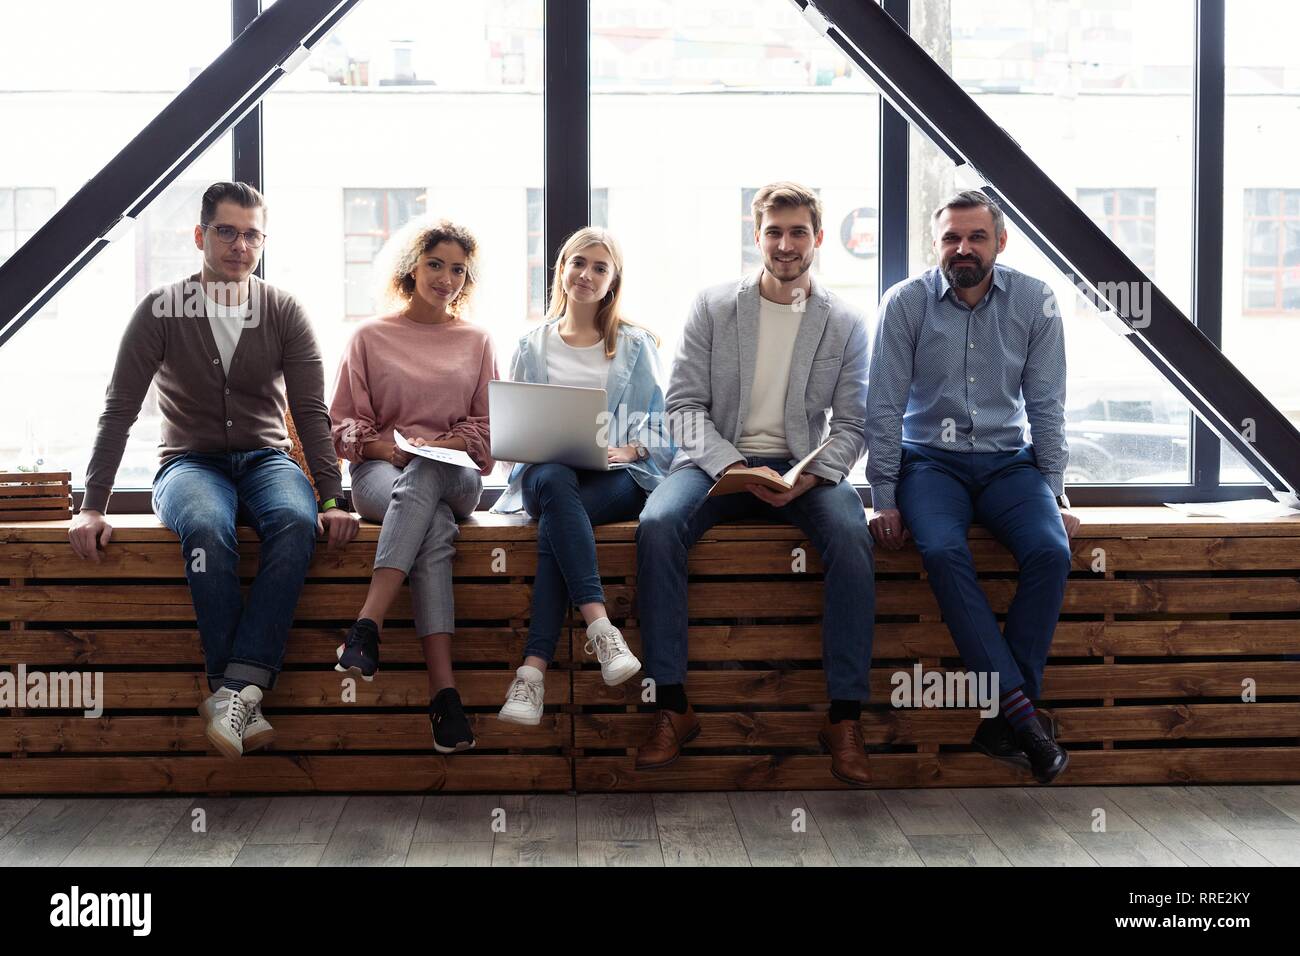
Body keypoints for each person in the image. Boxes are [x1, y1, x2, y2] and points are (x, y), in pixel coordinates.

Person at [68, 181, 359, 759]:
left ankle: (232, 691)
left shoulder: (283, 310)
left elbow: (309, 412)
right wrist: (93, 504)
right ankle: (242, 689)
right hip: (188, 462)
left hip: (267, 458)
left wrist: (332, 498)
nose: (240, 244)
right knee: (205, 528)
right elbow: (119, 409)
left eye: (252, 234)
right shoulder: (160, 310)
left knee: (293, 522)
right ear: (201, 235)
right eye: (226, 231)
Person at [635, 181, 875, 786]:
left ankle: (844, 717)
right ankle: (672, 705)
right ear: (756, 234)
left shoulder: (844, 322)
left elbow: (852, 425)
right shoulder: (714, 306)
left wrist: (810, 475)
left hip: (804, 468)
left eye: (798, 232)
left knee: (852, 535)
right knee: (658, 526)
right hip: (715, 463)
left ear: (818, 238)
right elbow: (684, 406)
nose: (786, 244)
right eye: (774, 231)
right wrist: (730, 468)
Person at [865, 189, 1078, 784]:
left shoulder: (1035, 300)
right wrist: (884, 494)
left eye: (976, 237)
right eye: (951, 238)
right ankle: (1025, 719)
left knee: (1050, 552)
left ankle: (1011, 717)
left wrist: (1056, 486)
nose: (962, 248)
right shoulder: (904, 303)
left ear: (1000, 242)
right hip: (931, 463)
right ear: (937, 245)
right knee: (940, 549)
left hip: (1011, 464)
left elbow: (1047, 403)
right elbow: (882, 406)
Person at [490, 227, 673, 725]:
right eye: (578, 263)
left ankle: (531, 672)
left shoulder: (637, 346)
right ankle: (601, 628)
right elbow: (514, 429)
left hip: (614, 479)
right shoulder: (530, 346)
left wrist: (631, 446)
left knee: (556, 522)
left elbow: (668, 425)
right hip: (546, 476)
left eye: (599, 267)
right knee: (551, 477)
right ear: (562, 269)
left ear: (613, 280)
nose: (586, 274)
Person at [329, 218, 497, 754]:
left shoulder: (477, 340)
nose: (446, 278)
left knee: (429, 476)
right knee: (435, 526)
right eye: (435, 264)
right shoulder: (369, 336)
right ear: (411, 266)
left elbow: (488, 427)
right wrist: (389, 450)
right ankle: (444, 696)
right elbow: (343, 425)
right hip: (383, 470)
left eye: (457, 270)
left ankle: (367, 625)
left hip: (456, 473)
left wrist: (441, 446)